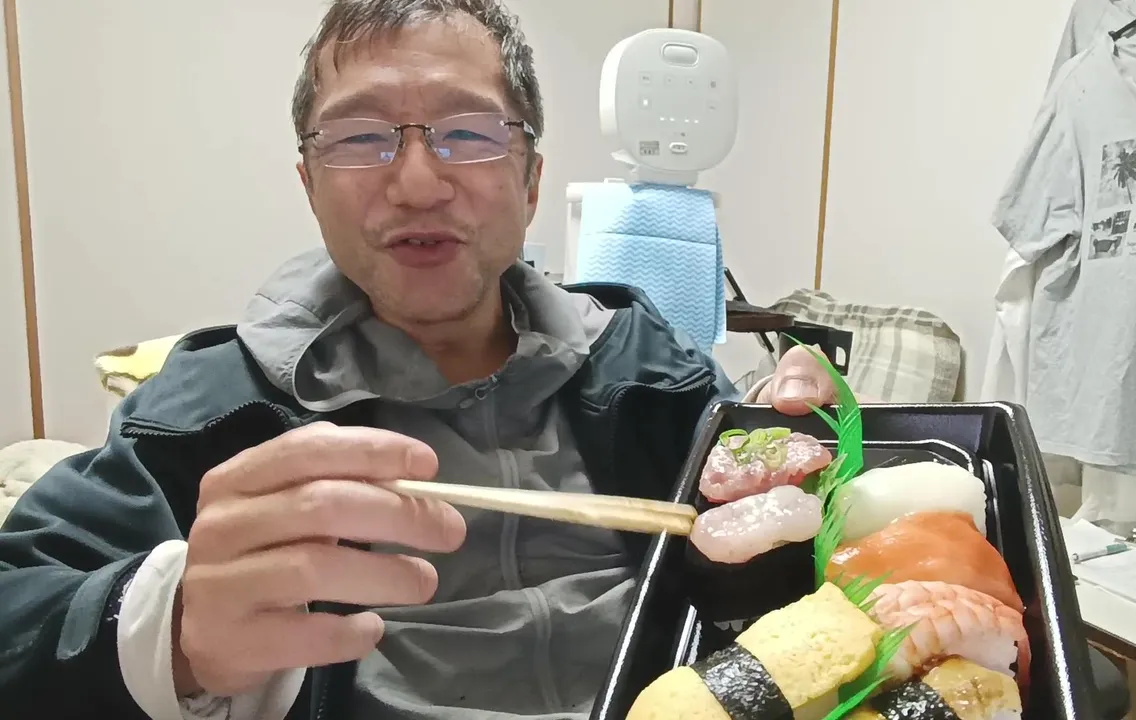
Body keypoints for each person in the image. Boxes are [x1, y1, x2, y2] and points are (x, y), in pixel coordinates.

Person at [0, 2, 843, 719]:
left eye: (468, 133)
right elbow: (18, 607)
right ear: (309, 184)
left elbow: (762, 581)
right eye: (360, 137)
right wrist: (171, 626)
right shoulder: (217, 406)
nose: (416, 184)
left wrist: (812, 454)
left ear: (531, 180)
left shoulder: (646, 365)